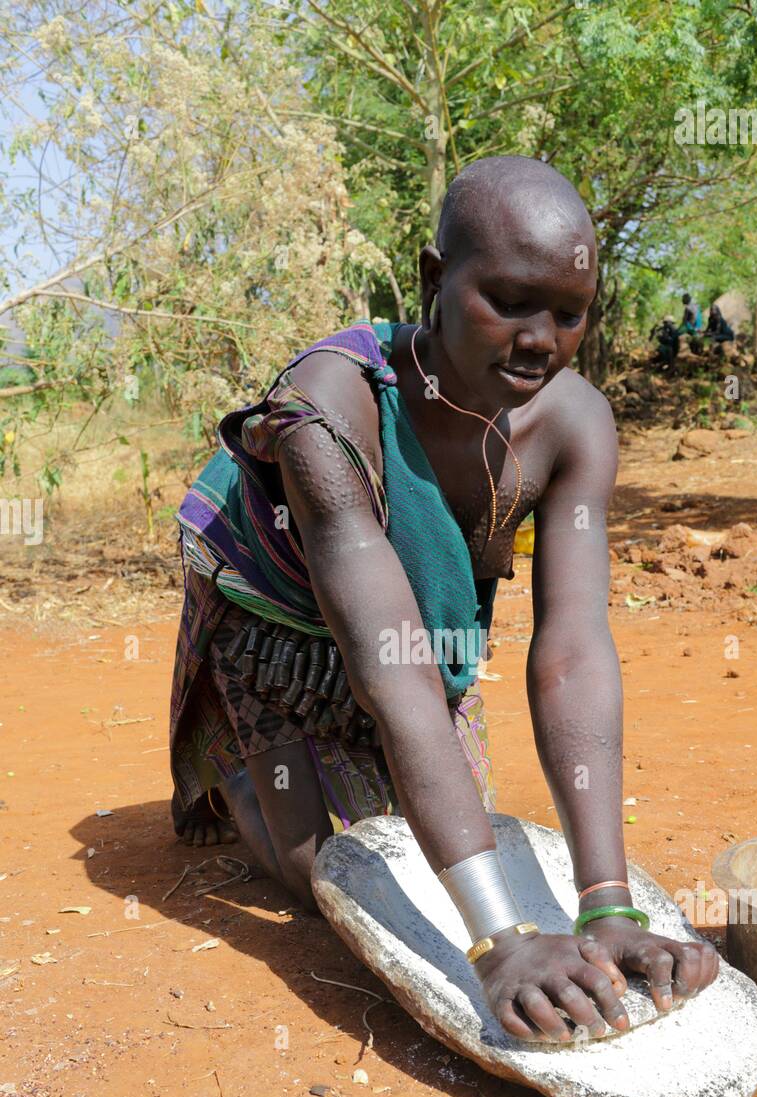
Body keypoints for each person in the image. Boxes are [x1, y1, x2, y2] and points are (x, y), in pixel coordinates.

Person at [169, 154, 718, 1044]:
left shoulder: (574, 424)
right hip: (287, 632)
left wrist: (606, 909)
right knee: (327, 882)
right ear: (434, 277)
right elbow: (390, 673)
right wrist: (499, 941)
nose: (539, 339)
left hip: (421, 648)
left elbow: (573, 648)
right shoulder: (327, 410)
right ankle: (235, 761)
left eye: (569, 315)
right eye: (505, 301)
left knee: (437, 853)